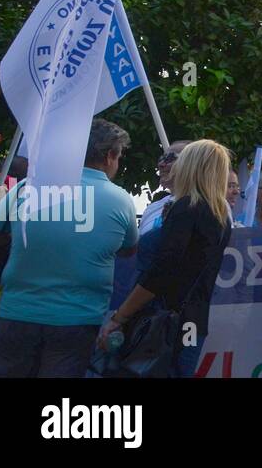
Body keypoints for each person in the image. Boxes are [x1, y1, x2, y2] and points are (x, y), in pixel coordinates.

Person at [0, 119, 138, 378]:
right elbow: (128, 249)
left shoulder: (28, 187)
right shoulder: (121, 200)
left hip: (17, 312)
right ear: (110, 156)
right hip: (78, 319)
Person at [101, 139, 233, 378]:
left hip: (162, 320)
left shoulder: (187, 208)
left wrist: (120, 317)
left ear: (190, 167)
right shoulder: (220, 215)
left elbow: (161, 272)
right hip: (193, 323)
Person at [139, 141, 190, 236]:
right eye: (161, 158)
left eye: (171, 158)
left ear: (192, 165)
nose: (161, 165)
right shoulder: (153, 208)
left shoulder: (210, 208)